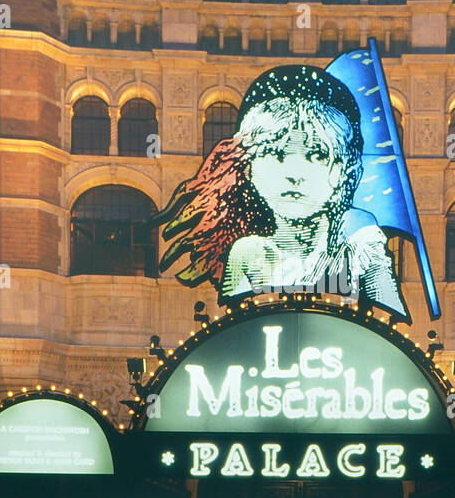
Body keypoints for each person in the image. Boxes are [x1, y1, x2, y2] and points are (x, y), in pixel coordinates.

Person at [157, 65, 406, 317]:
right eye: (275, 153)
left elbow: (389, 313)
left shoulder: (359, 240)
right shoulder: (246, 253)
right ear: (248, 167)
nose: (294, 174)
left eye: (316, 154)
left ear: (344, 170)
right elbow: (234, 329)